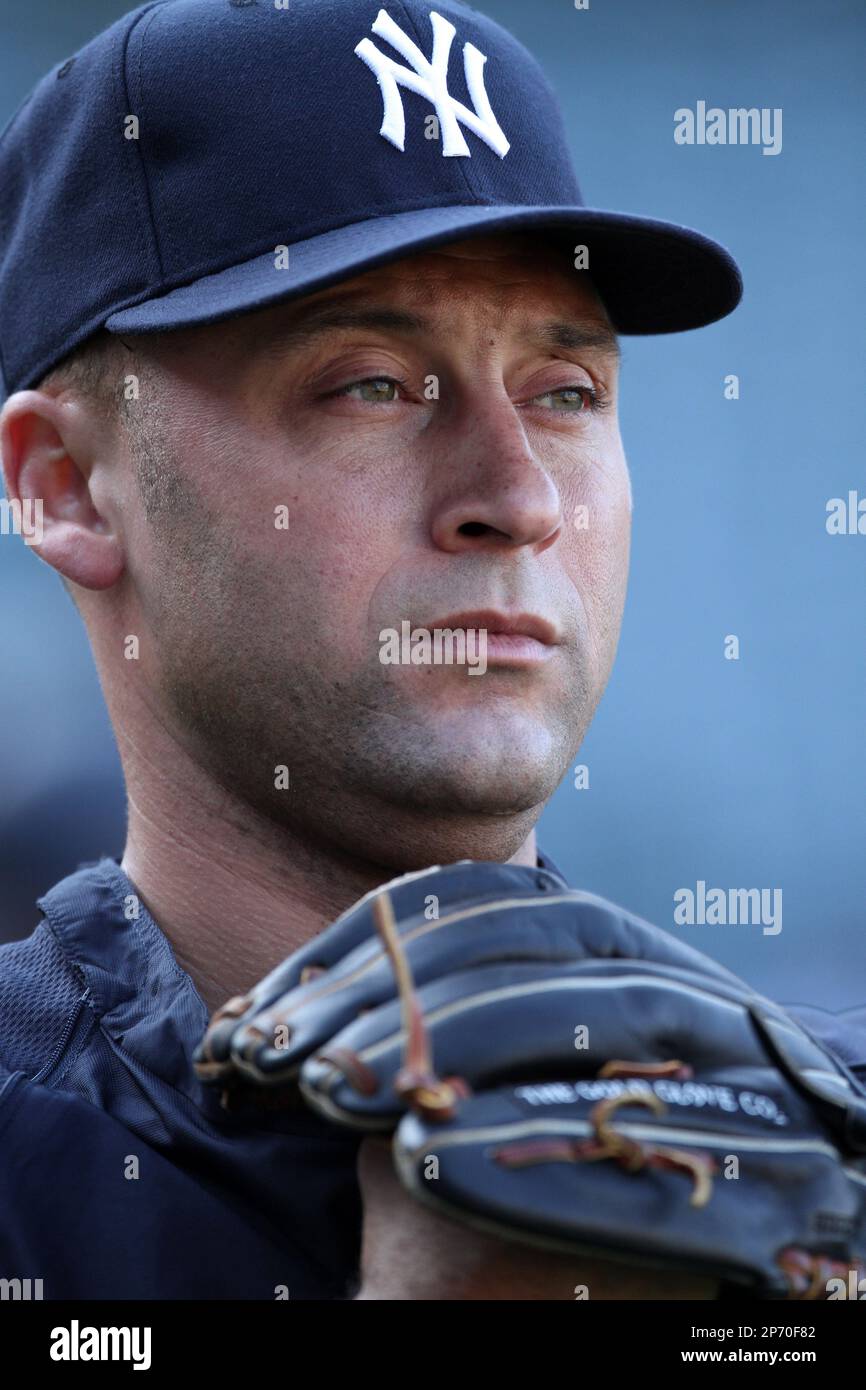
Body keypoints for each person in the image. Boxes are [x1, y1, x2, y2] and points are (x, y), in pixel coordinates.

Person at [1, 0, 863, 1301]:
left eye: (563, 394)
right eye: (370, 383)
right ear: (66, 486)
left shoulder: (817, 1147)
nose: (517, 498)